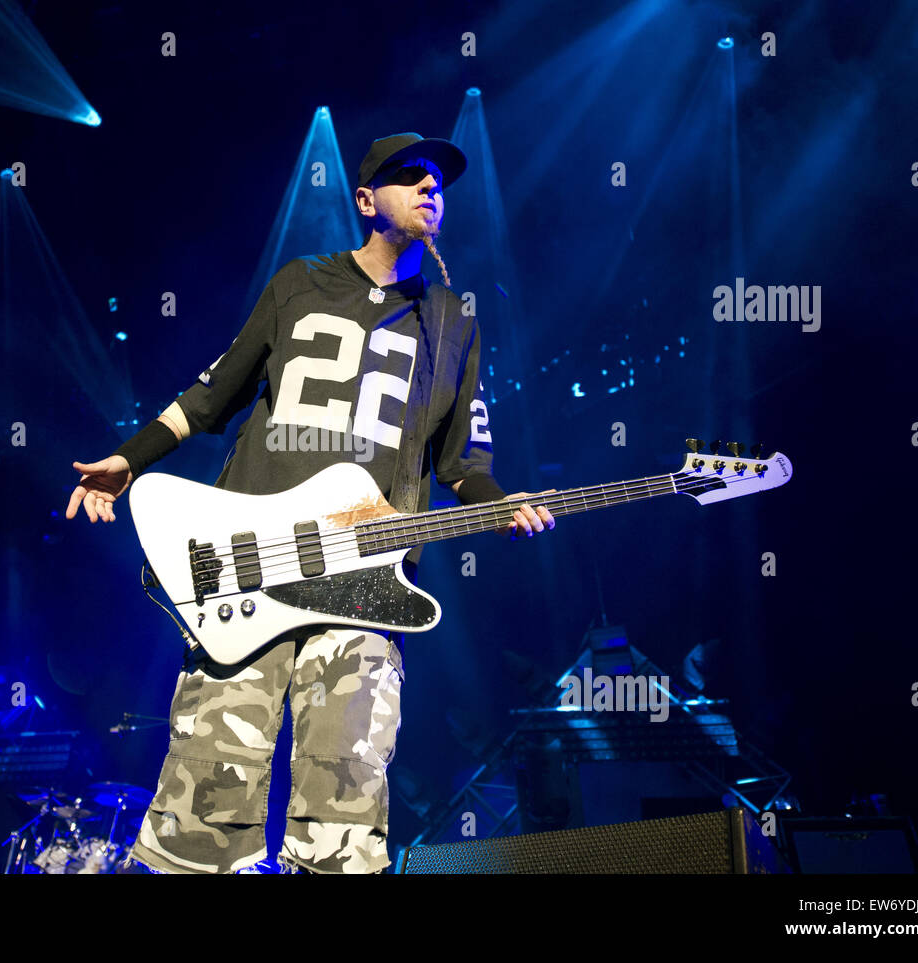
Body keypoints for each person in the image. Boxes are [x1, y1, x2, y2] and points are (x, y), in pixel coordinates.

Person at [66, 133, 555, 873]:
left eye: (439, 180)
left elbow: (464, 463)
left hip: (364, 589)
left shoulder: (455, 321)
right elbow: (208, 397)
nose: (431, 188)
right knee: (205, 802)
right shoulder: (299, 282)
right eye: (408, 176)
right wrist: (128, 460)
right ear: (365, 200)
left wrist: (500, 502)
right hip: (249, 574)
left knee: (343, 813)